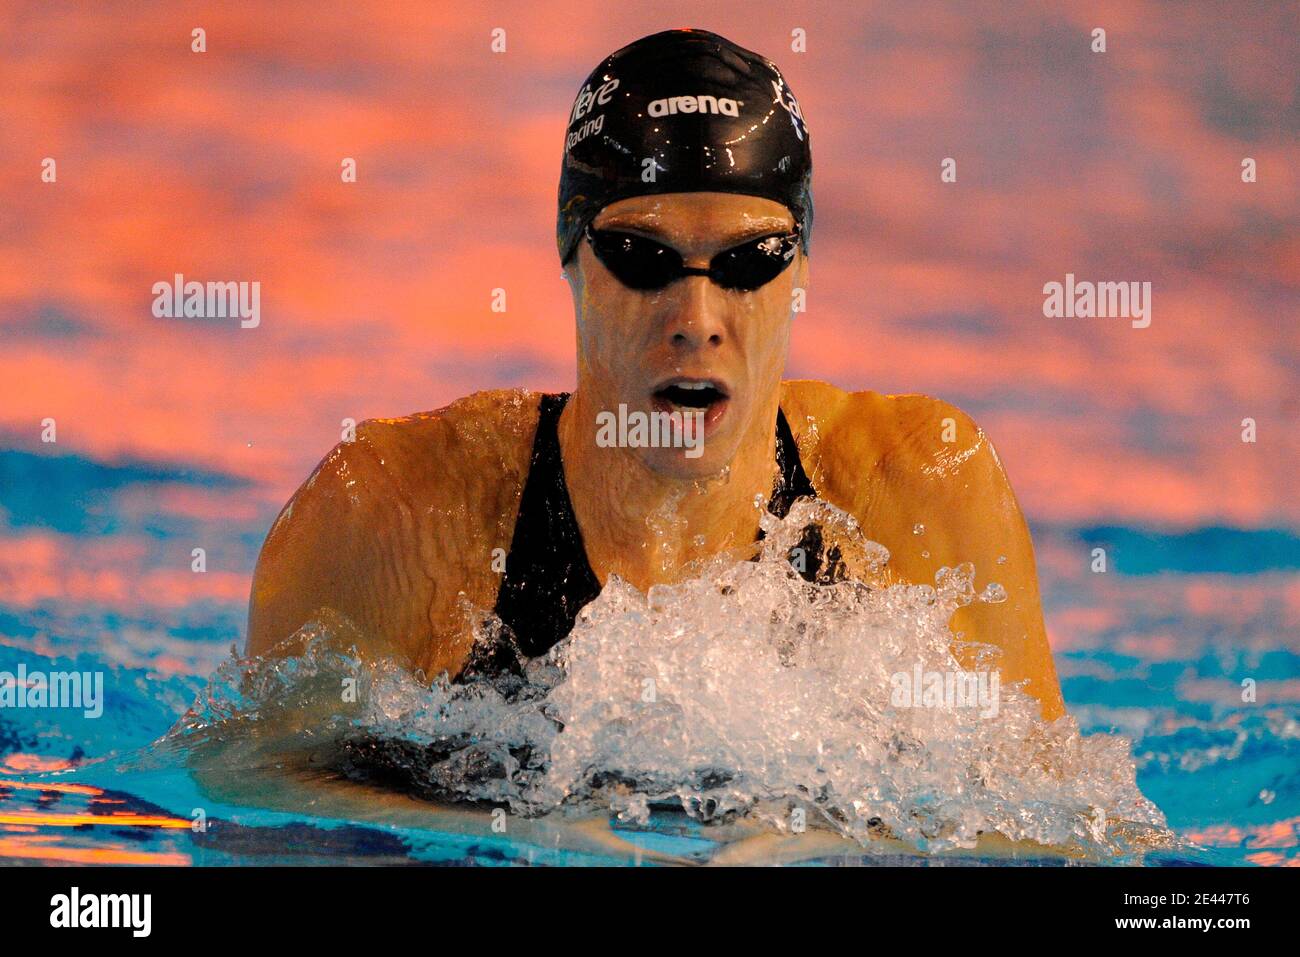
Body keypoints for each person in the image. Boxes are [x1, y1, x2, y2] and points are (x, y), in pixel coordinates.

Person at [246, 28, 1065, 721]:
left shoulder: (924, 492)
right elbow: (257, 794)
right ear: (572, 257)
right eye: (643, 256)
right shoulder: (390, 517)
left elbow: (1051, 825)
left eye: (749, 260)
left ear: (802, 269)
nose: (696, 316)